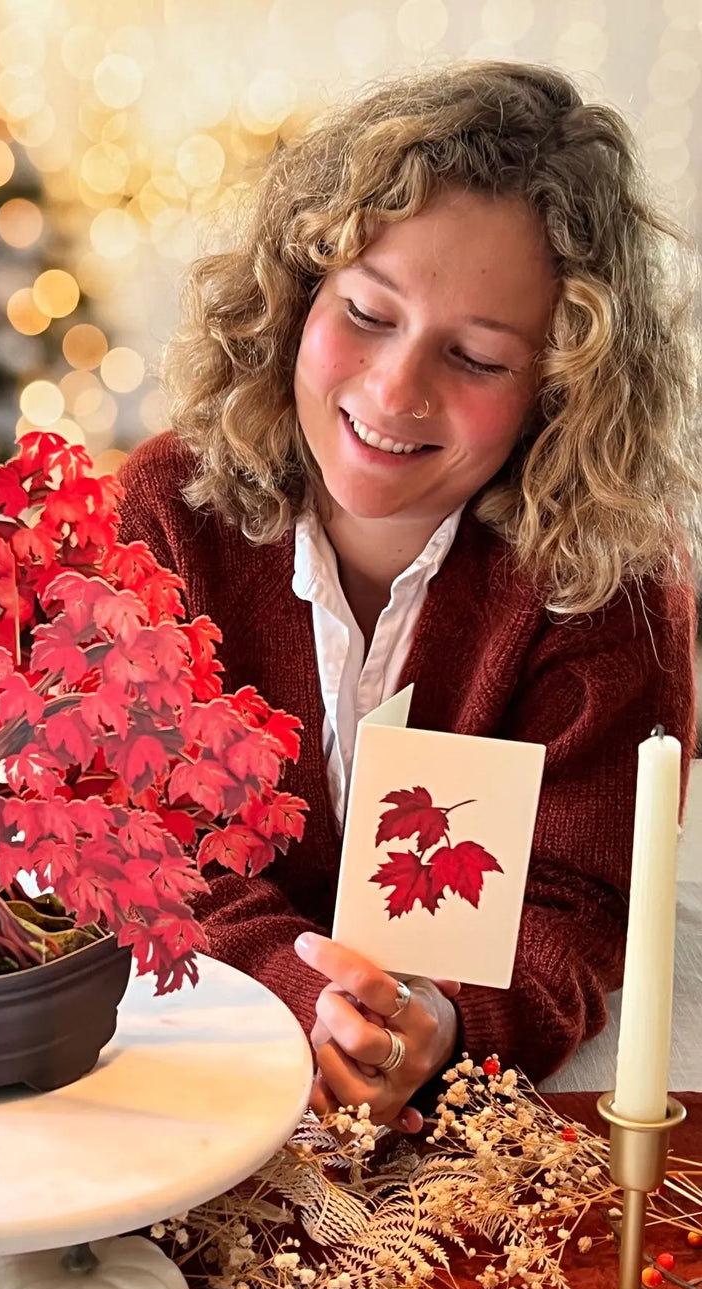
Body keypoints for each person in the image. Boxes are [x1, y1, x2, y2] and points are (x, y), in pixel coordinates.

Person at [116, 60, 701, 1132]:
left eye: (476, 357)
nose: (394, 392)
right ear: (297, 295)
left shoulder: (604, 587)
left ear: (558, 391)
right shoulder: (169, 512)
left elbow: (574, 905)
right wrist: (313, 1005)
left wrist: (440, 1024)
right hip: (195, 1064)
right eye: (368, 314)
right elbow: (140, 838)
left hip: (466, 1117)